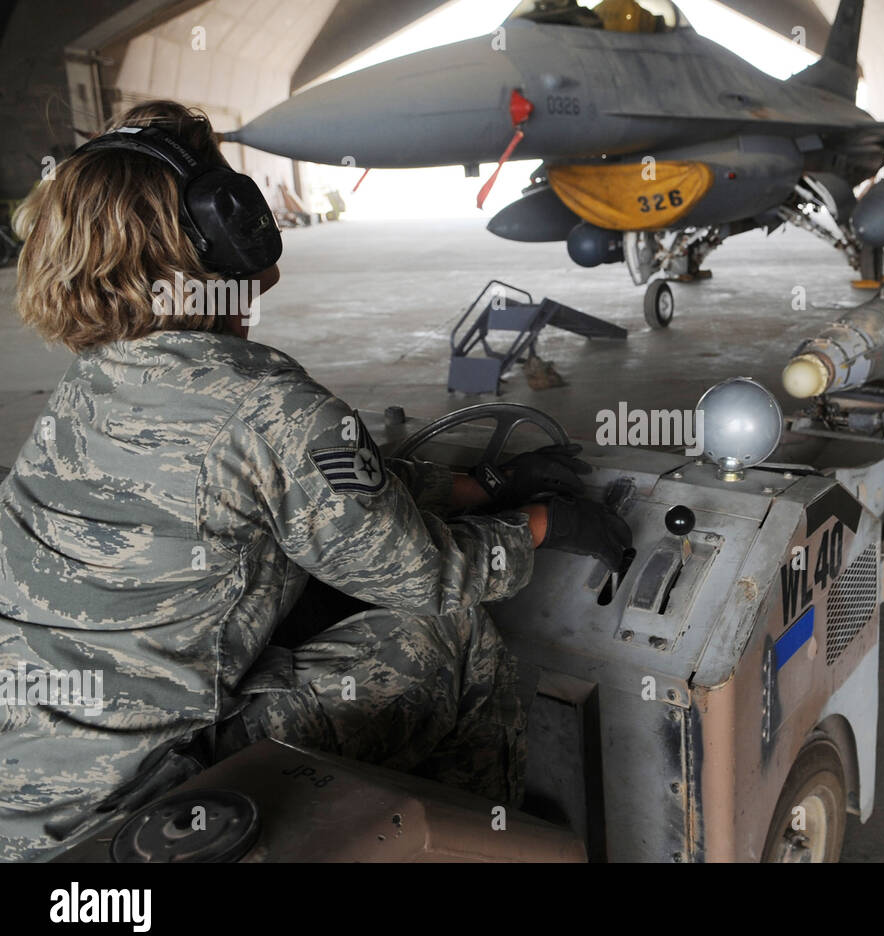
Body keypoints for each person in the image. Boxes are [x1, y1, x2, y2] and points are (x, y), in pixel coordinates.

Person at [0, 100, 632, 861]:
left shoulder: (89, 385)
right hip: (152, 800)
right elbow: (426, 576)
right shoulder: (269, 404)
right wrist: (546, 525)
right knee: (452, 635)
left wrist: (477, 485)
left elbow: (295, 490)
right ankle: (487, 845)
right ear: (221, 231)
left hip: (28, 792)